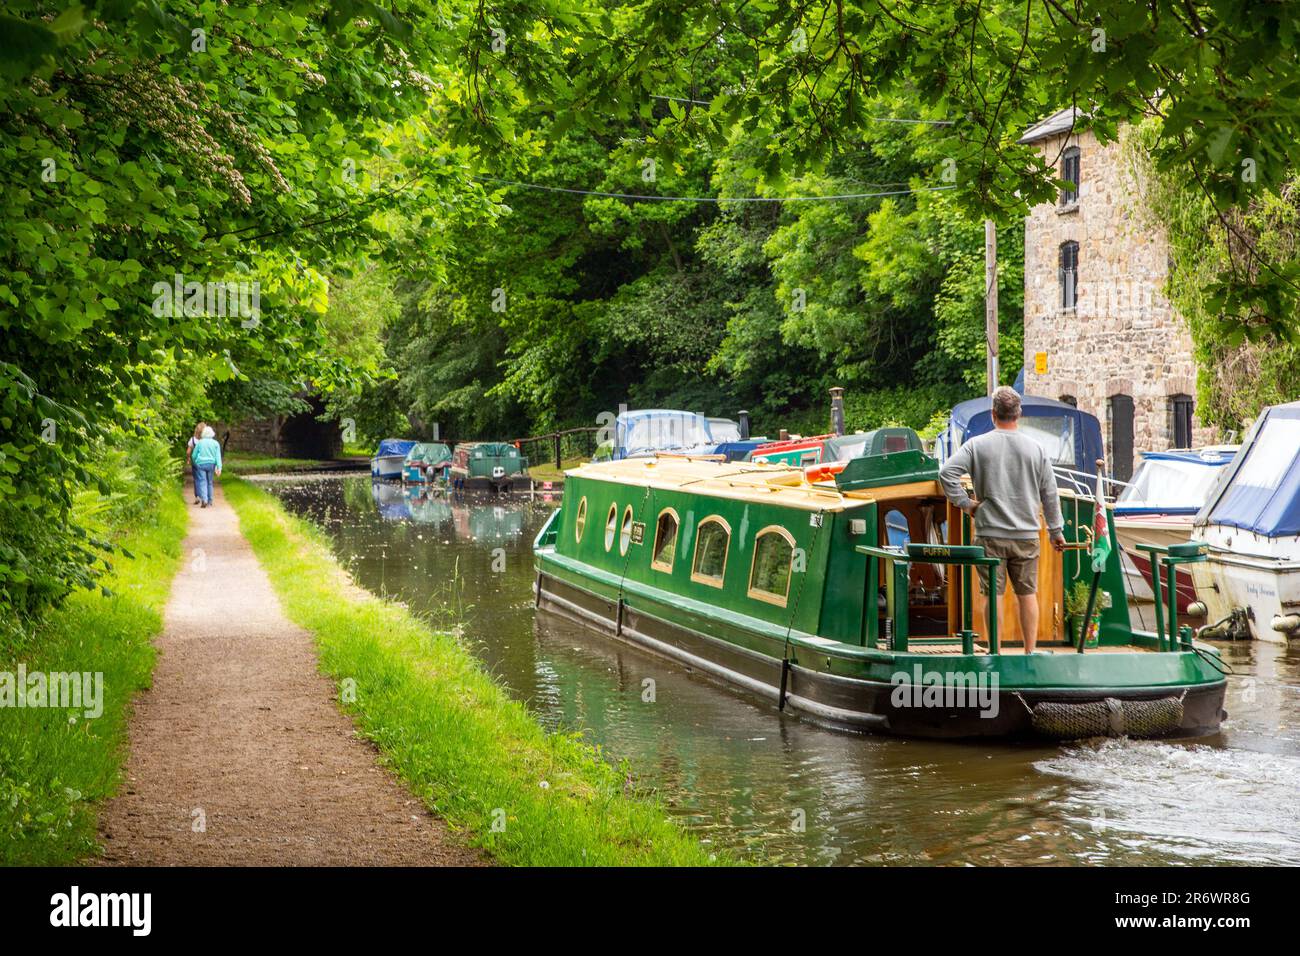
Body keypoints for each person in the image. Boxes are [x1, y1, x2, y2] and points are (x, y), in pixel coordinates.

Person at [938, 386, 1066, 653]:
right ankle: (1030, 652)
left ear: (993, 414)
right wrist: (1056, 531)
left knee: (992, 595)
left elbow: (947, 473)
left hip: (990, 534)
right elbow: (1050, 493)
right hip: (1027, 535)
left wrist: (966, 504)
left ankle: (994, 651)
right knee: (1027, 595)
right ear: (1018, 414)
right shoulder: (1036, 449)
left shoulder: (977, 445)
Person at [191, 425, 223, 509]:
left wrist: (195, 461)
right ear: (212, 433)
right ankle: (210, 501)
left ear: (203, 433)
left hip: (200, 464)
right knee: (209, 482)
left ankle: (204, 500)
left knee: (202, 481)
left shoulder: (200, 442)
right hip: (211, 464)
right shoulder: (216, 443)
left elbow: (193, 455)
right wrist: (219, 467)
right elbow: (218, 457)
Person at [186, 423, 206, 505]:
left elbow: (188, 452)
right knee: (204, 479)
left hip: (195, 462)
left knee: (197, 479)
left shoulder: (192, 440)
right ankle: (205, 497)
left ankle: (197, 496)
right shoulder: (206, 440)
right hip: (204, 461)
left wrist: (188, 458)